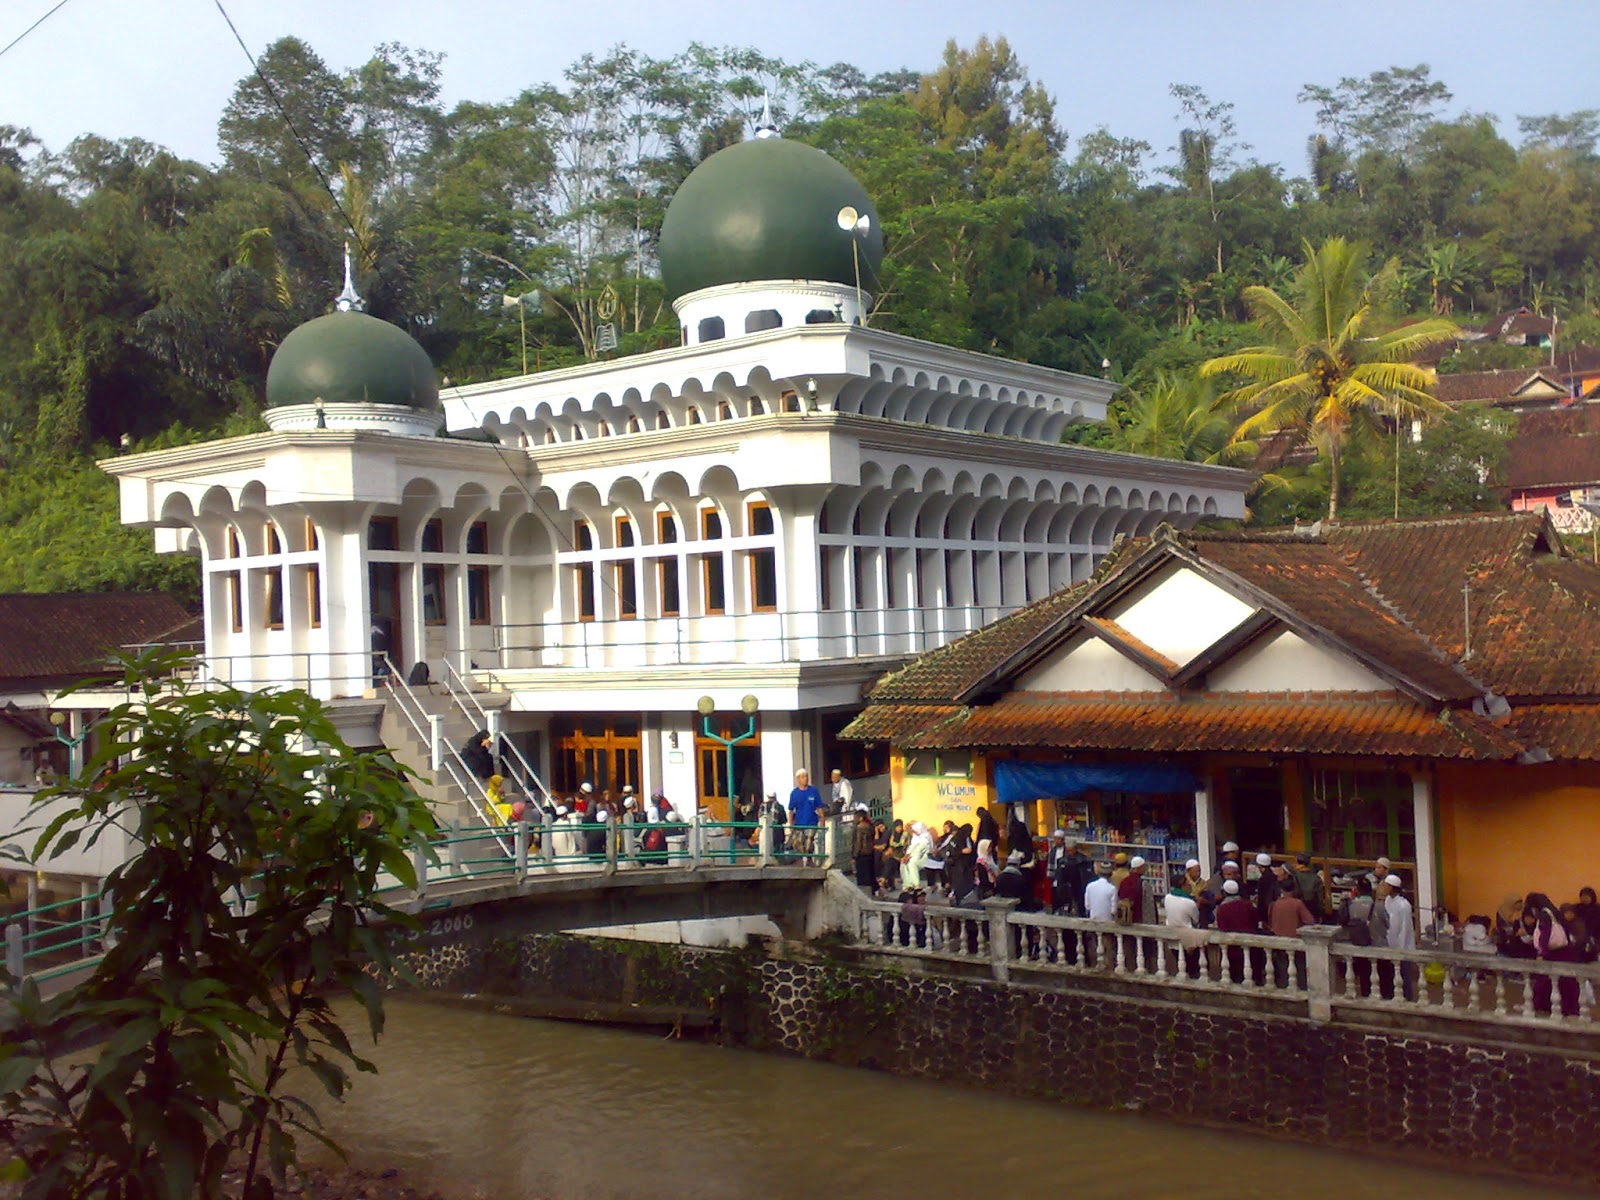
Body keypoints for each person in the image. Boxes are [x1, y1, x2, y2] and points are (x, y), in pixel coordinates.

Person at [1522, 892, 1580, 1017]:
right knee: (1565, 982)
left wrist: (1541, 953)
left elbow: (1545, 935)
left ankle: (1538, 1004)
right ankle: (1570, 1008)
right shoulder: (1555, 912)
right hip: (1565, 951)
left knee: (1544, 980)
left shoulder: (1544, 914)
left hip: (1553, 952)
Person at [1268, 881, 1317, 988]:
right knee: (1299, 968)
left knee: (1283, 968)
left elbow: (1270, 923)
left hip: (1279, 941)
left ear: (1281, 890)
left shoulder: (1274, 904)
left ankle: (1285, 987)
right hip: (1295, 941)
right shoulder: (1297, 903)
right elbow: (1310, 921)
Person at [1213, 879, 1256, 983]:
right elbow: (1255, 921)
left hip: (1232, 947)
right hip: (1249, 942)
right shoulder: (1248, 905)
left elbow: (1222, 927)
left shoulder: (1223, 908)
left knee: (1235, 974)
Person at [1385, 874, 1418, 1002]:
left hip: (1403, 947)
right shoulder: (1388, 900)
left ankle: (1408, 999)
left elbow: (1405, 929)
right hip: (1390, 943)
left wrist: (1401, 949)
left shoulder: (1404, 905)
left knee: (1405, 976)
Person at [1340, 876, 1376, 996]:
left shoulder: (1352, 904)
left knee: (1359, 970)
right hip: (1371, 941)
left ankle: (1360, 993)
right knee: (1370, 972)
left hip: (1355, 940)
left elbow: (1343, 920)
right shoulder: (1374, 904)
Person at [1164, 883, 1203, 979]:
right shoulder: (1189, 902)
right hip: (1188, 938)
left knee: (1181, 964)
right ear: (1184, 886)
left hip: (1173, 936)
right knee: (1193, 967)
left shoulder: (1167, 897)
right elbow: (1196, 919)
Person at [788, 769, 825, 862]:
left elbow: (819, 806)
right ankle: (805, 857)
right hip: (799, 823)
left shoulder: (813, 791)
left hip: (812, 821)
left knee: (809, 842)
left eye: (807, 776)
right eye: (803, 777)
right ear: (798, 779)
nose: (806, 779)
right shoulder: (794, 793)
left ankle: (808, 858)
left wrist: (822, 819)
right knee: (797, 842)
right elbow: (791, 810)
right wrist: (790, 823)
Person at [1291, 851, 1327, 919]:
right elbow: (1320, 899)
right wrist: (1321, 914)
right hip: (1312, 909)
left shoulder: (1292, 875)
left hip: (1295, 909)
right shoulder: (1316, 878)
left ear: (1296, 861)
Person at [902, 822, 932, 888]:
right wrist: (906, 856)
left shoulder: (926, 837)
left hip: (925, 858)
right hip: (916, 856)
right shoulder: (916, 837)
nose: (914, 832)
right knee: (904, 863)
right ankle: (908, 885)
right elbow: (911, 847)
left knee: (912, 863)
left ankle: (917, 884)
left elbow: (920, 850)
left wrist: (909, 856)